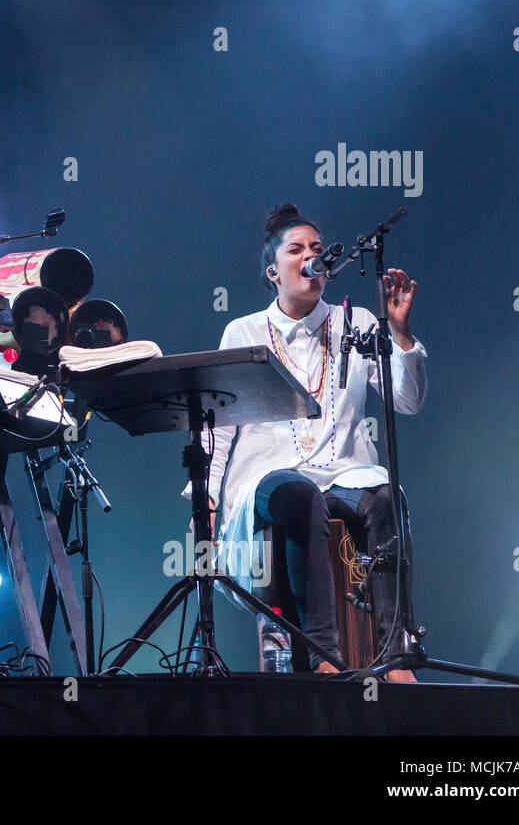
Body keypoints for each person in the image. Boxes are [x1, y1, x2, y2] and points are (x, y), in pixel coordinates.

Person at [189, 203, 426, 681]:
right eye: (296, 249)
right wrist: (207, 499)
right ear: (273, 271)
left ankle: (396, 655)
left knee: (385, 494)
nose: (310, 257)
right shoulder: (244, 331)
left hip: (344, 472)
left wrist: (400, 334)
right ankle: (322, 656)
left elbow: (407, 400)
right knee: (297, 494)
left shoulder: (355, 321)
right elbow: (217, 427)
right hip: (270, 477)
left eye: (317, 249)